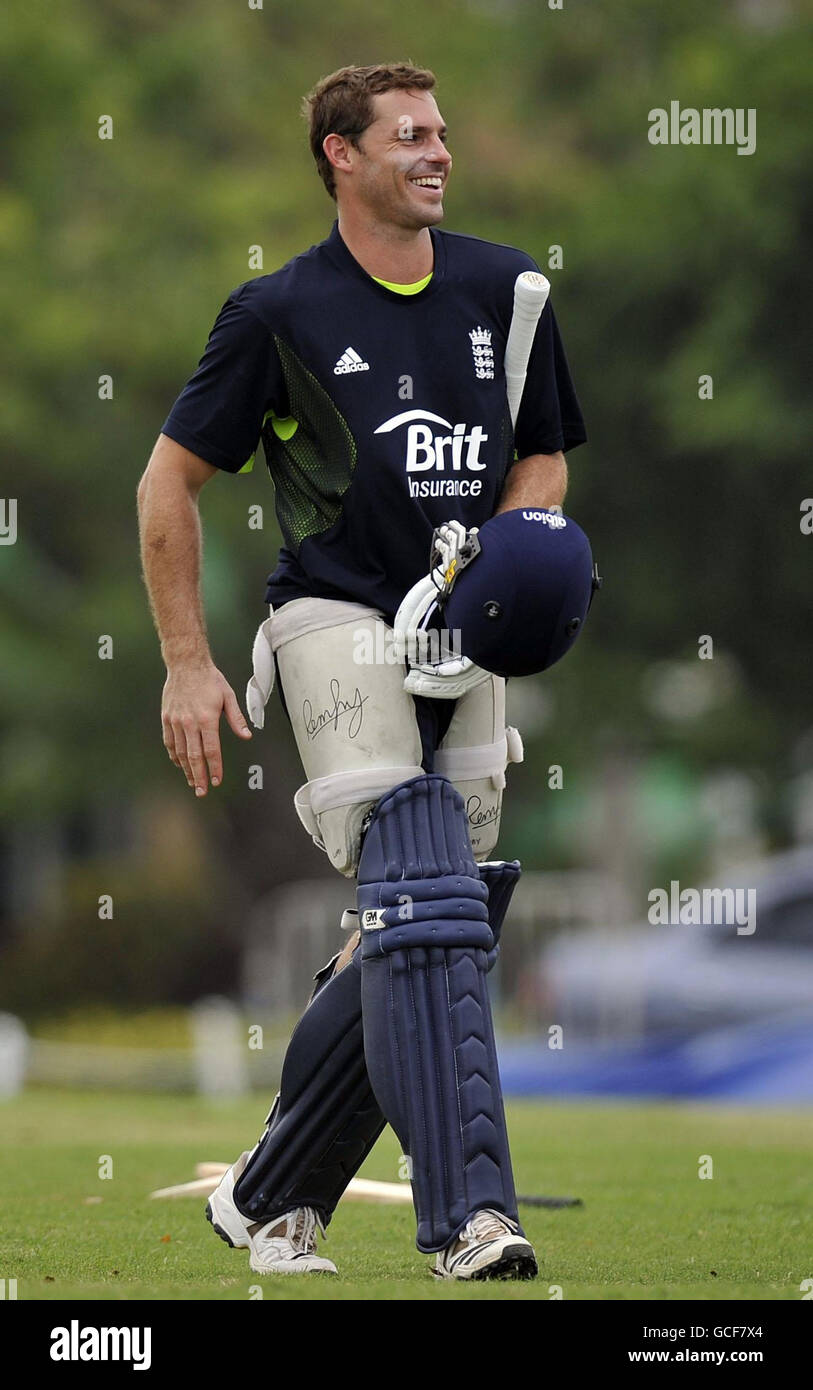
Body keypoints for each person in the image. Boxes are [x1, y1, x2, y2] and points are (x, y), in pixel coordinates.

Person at [137, 61, 587, 1281]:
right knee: (424, 884)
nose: (439, 153)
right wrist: (187, 662)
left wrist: (489, 560)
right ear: (342, 155)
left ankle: (270, 1191)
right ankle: (470, 1219)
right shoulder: (275, 312)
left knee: (439, 912)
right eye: (410, 136)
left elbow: (543, 461)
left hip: (462, 614)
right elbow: (168, 480)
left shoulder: (506, 287)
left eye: (444, 133)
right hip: (334, 615)